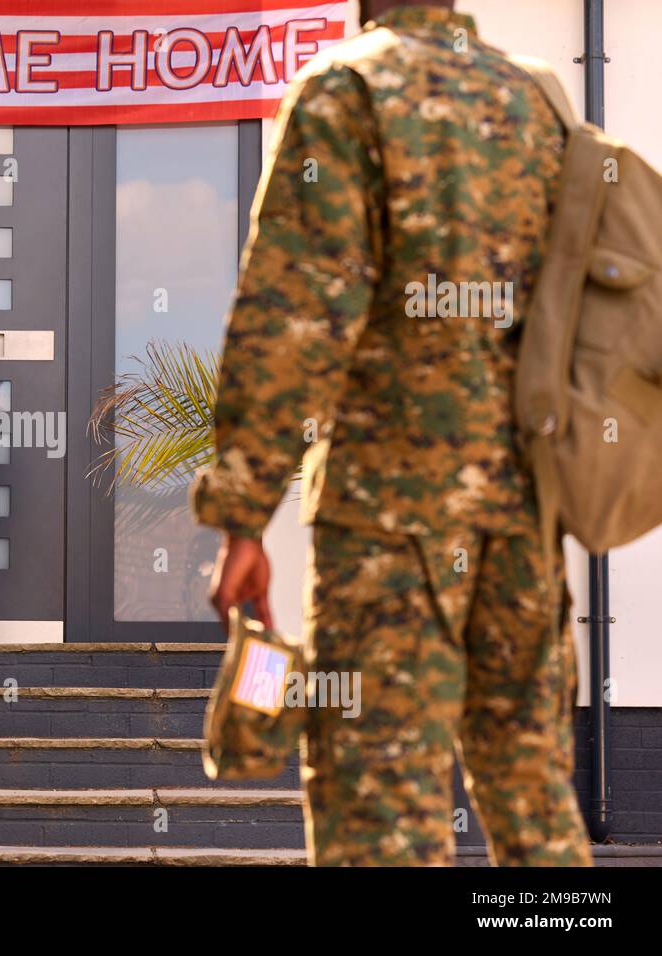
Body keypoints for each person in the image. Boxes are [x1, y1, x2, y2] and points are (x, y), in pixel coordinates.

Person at [193, 0, 592, 866]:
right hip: (526, 507)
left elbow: (297, 313)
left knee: (381, 803)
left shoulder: (348, 89)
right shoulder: (534, 101)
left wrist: (243, 514)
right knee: (533, 795)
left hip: (390, 514)